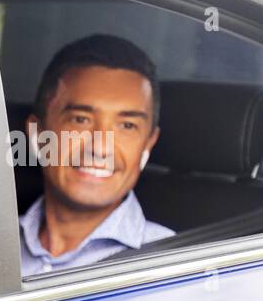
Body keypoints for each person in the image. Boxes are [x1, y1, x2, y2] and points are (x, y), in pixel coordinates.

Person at [19, 34, 174, 276]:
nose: (100, 148)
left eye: (127, 126)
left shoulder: (175, 265)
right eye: (81, 120)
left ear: (148, 145)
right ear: (38, 134)